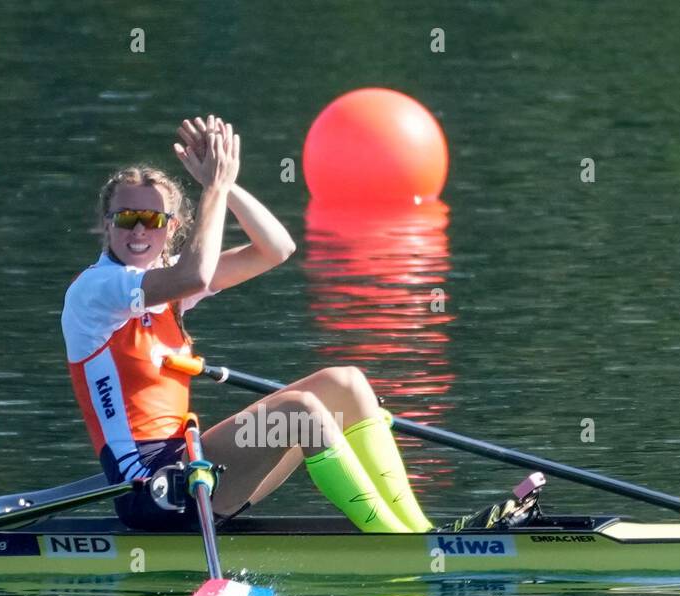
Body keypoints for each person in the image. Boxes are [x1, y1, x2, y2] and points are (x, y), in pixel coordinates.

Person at [61, 116, 434, 533]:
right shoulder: (97, 289)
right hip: (150, 490)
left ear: (173, 228)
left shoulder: (167, 285)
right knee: (300, 411)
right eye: (127, 217)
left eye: (155, 219)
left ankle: (419, 532)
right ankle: (394, 542)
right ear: (106, 223)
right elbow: (196, 276)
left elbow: (276, 249)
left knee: (344, 382)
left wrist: (223, 184)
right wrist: (213, 190)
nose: (140, 230)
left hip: (191, 469)